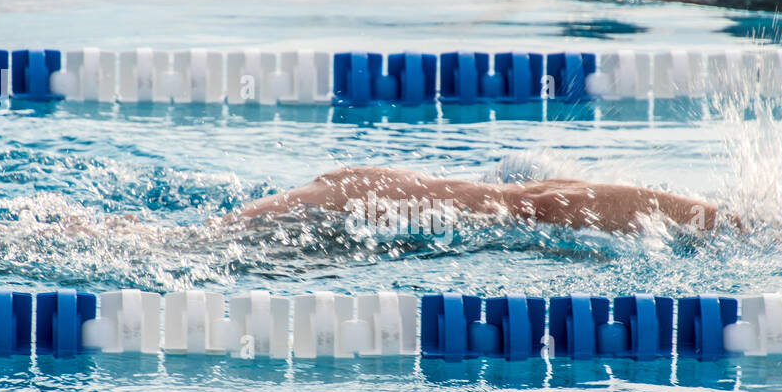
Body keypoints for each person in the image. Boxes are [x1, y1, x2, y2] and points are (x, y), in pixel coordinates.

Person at [234, 165, 722, 234]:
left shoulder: (508, 195)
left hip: (332, 193)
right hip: (331, 207)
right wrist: (705, 218)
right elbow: (551, 203)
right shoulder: (522, 203)